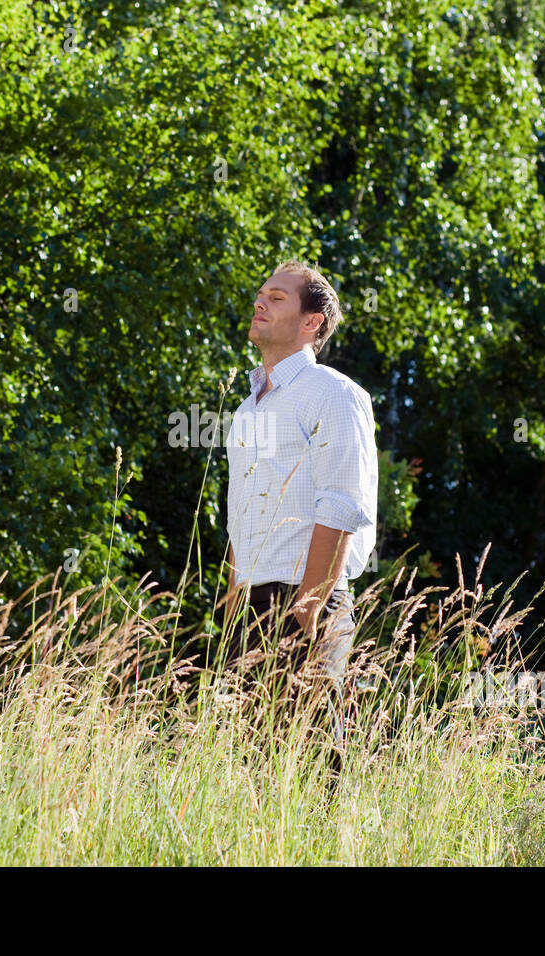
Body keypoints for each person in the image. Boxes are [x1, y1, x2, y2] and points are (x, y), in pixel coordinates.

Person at [223, 259, 378, 759]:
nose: (260, 302)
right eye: (260, 293)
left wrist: (307, 610)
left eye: (277, 296)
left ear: (312, 322)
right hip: (248, 606)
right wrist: (232, 603)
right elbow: (240, 511)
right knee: (251, 765)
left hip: (306, 600)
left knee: (308, 764)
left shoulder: (333, 393)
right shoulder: (249, 407)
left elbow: (341, 505)